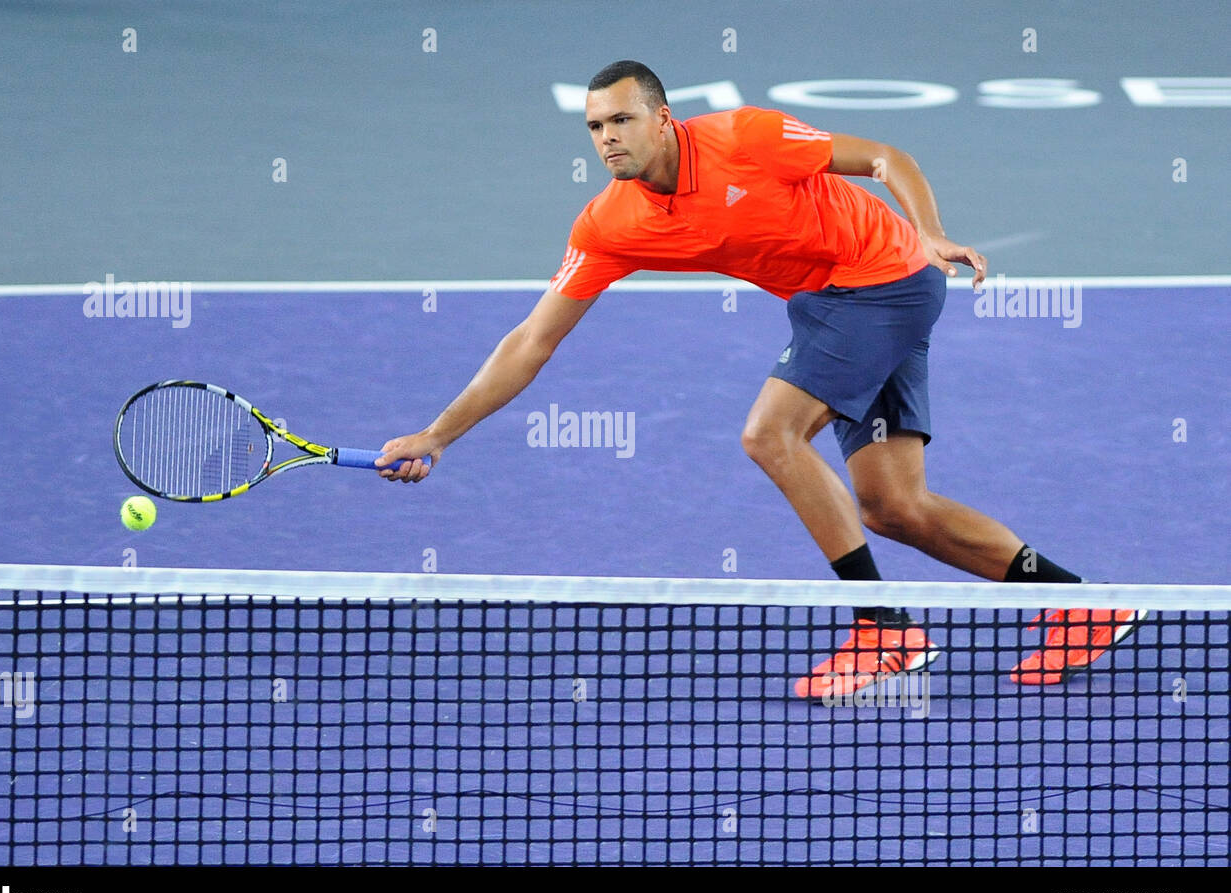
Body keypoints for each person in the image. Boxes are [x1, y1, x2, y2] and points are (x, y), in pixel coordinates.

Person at [375, 60, 1142, 694]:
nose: (607, 138)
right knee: (892, 507)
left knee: (769, 435)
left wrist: (930, 231)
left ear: (663, 117)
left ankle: (885, 631)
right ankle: (1078, 604)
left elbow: (886, 159)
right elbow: (531, 342)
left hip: (886, 282)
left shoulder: (747, 135)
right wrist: (440, 434)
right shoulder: (611, 224)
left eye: (621, 121)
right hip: (828, 305)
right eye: (595, 128)